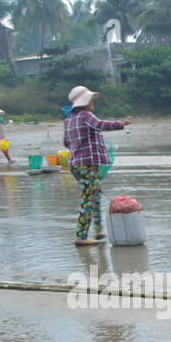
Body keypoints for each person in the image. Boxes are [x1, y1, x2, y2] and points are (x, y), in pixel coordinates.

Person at [63, 86, 129, 246]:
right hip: (86, 164)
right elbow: (100, 124)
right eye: (91, 100)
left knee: (94, 193)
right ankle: (81, 236)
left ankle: (99, 230)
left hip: (75, 165)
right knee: (88, 198)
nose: (93, 103)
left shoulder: (68, 120)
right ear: (85, 102)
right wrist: (120, 124)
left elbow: (66, 143)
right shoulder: (86, 115)